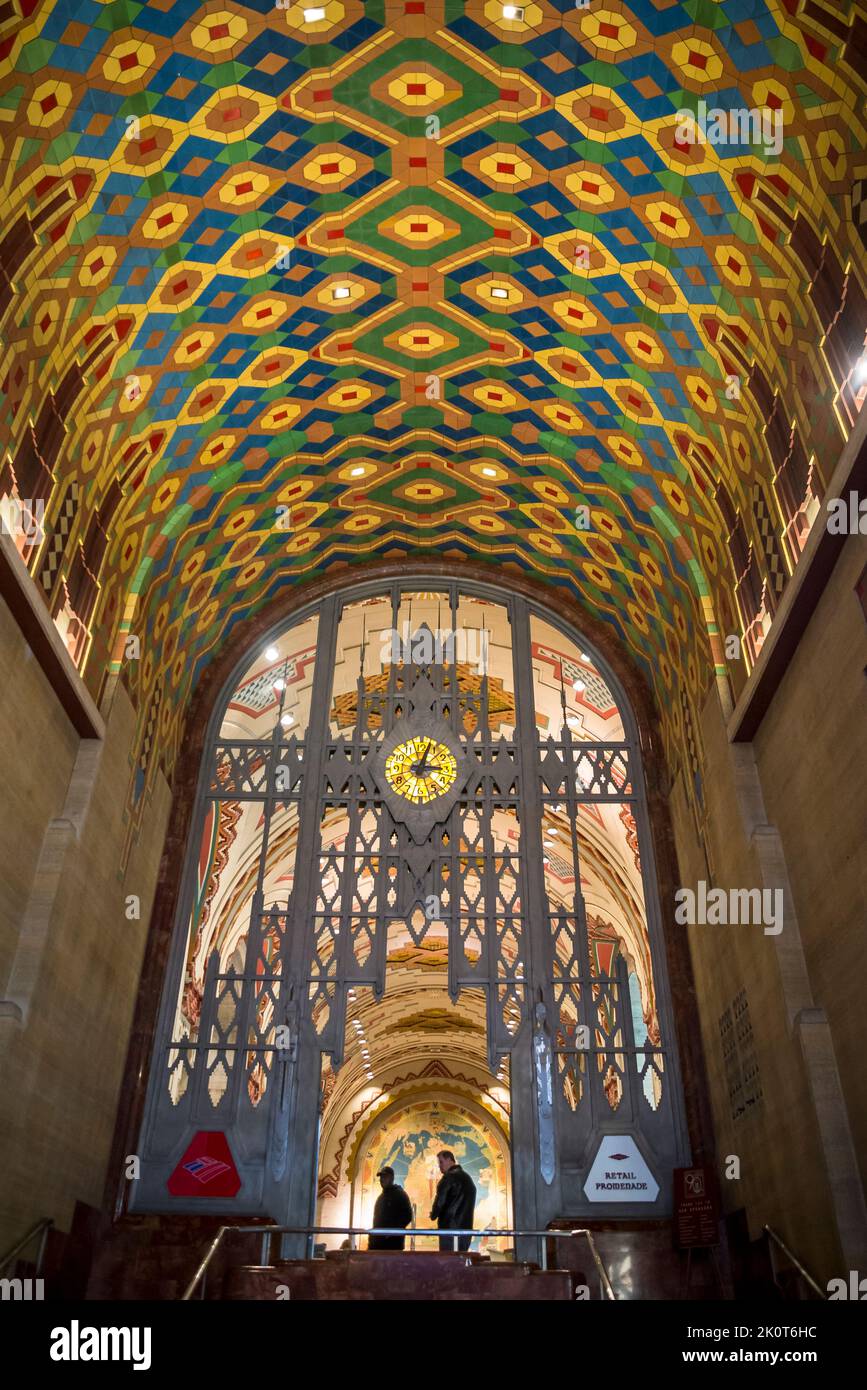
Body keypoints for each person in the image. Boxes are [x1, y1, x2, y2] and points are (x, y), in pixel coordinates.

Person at [430, 1150, 476, 1252]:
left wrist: (433, 1215)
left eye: (441, 1162)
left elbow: (439, 1202)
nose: (439, 1166)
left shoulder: (448, 1178)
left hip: (449, 1229)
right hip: (466, 1230)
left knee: (448, 1262)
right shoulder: (468, 1178)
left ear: (449, 1160)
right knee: (460, 1260)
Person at [368, 1166, 413, 1250]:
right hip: (378, 1245)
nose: (382, 1179)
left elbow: (407, 1216)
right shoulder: (380, 1198)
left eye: (385, 1177)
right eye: (381, 1177)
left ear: (391, 1178)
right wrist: (372, 1241)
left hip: (393, 1245)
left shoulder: (400, 1195)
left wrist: (390, 1232)